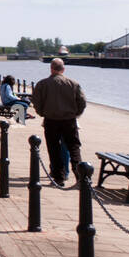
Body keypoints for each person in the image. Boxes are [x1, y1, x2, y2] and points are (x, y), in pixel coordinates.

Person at [30, 58, 86, 187]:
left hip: (51, 120)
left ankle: (59, 178)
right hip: (69, 120)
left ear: (51, 68)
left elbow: (36, 102)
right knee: (74, 147)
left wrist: (42, 113)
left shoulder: (42, 84)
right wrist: (76, 113)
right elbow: (82, 102)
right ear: (63, 69)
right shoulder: (73, 84)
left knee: (54, 149)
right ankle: (80, 176)